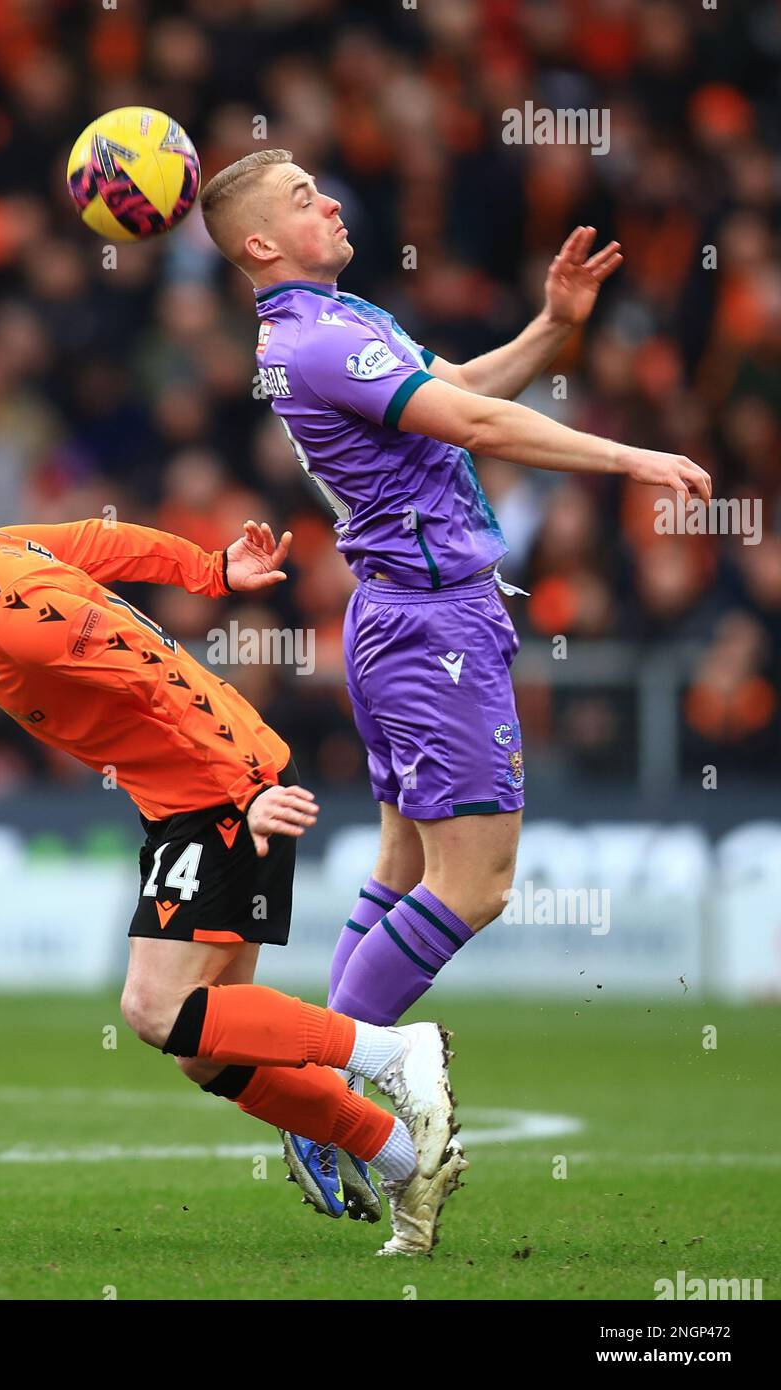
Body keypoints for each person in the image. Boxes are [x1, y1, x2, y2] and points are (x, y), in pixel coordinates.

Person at [200, 149, 712, 1220]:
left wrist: (549, 329)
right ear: (257, 243)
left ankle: (312, 1094)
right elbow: (474, 427)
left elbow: (458, 394)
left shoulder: (328, 322)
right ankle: (321, 1099)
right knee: (472, 883)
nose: (330, 199)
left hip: (402, 614)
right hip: (428, 626)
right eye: (301, 198)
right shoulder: (322, 337)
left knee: (400, 861)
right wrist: (630, 460)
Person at [0, 443, 469, 1256]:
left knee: (158, 1012)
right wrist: (211, 571)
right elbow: (103, 539)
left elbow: (156, 675)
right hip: (195, 794)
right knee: (207, 1047)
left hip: (219, 791)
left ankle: (399, 1052)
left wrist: (246, 786)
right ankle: (405, 1162)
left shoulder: (4, 607)